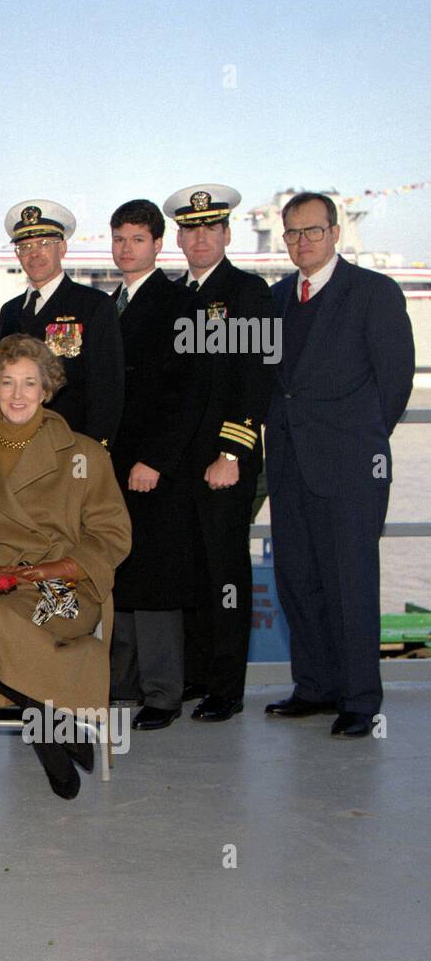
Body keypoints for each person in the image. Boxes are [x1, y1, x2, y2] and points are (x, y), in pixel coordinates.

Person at [0, 336, 131, 800]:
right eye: (7, 383)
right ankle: (53, 722)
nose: (17, 395)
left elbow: (112, 535)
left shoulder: (83, 454)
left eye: (29, 383)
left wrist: (54, 569)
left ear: (47, 390)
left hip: (63, 586)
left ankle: (45, 736)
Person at [264, 192, 414, 738]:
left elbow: (394, 382)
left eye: (313, 231)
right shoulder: (277, 297)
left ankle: (358, 698)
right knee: (299, 579)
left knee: (350, 581)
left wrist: (359, 443)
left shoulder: (373, 293)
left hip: (350, 466)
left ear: (335, 233)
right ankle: (315, 687)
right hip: (289, 464)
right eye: (293, 234)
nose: (303, 242)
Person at [163, 183, 273, 723]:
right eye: (191, 229)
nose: (200, 238)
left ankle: (227, 687)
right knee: (192, 570)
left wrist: (232, 452)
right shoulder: (180, 297)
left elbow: (255, 381)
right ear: (179, 238)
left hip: (224, 461)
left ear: (227, 234)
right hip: (183, 465)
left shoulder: (249, 293)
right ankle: (197, 675)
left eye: (210, 228)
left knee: (226, 574)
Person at [104, 200, 205, 732]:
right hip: (112, 463)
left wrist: (157, 460)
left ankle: (163, 693)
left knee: (159, 577)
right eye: (119, 238)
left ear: (158, 244)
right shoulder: (108, 303)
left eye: (137, 239)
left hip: (156, 466)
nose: (126, 248)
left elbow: (189, 394)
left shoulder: (177, 303)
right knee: (119, 568)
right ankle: (123, 682)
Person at [0, 199, 124, 447]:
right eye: (25, 246)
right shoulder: (9, 311)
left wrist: (96, 448)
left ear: (62, 248)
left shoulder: (94, 305)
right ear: (17, 254)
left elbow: (107, 387)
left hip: (70, 442)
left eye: (44, 244)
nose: (34, 254)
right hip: (17, 444)